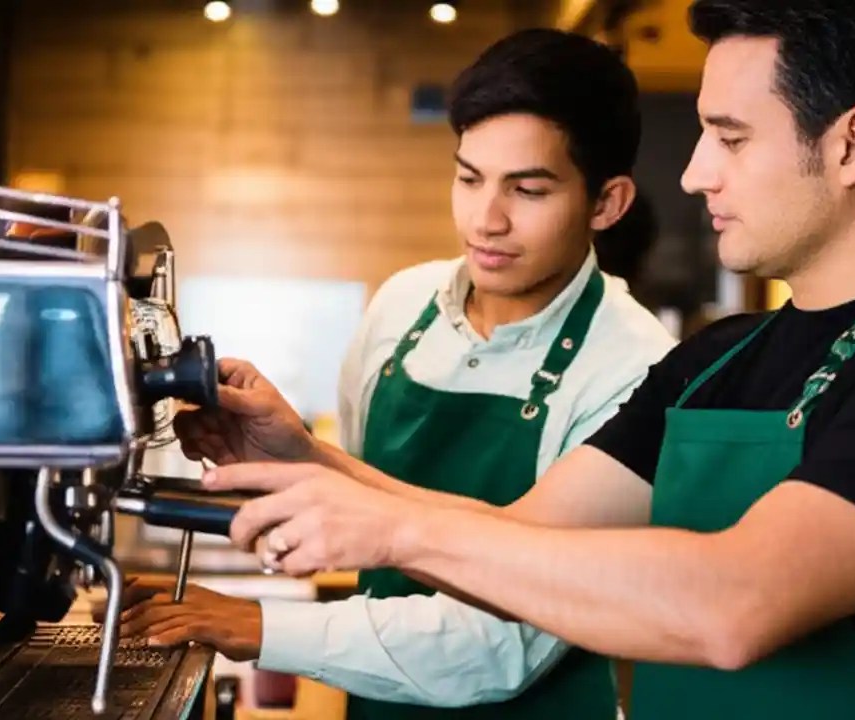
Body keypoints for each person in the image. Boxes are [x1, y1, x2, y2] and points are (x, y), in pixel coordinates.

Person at [131, 1, 855, 718]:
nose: (695, 174)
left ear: (853, 142)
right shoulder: (719, 357)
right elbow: (527, 536)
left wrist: (385, 537)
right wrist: (303, 458)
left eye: (730, 138)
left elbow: (734, 606)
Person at [118, 28, 675, 720]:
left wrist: (258, 625)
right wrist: (300, 457)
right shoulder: (402, 306)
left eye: (527, 190)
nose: (486, 219)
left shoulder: (635, 367)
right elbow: (366, 525)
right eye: (468, 177)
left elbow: (509, 640)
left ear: (607, 203)